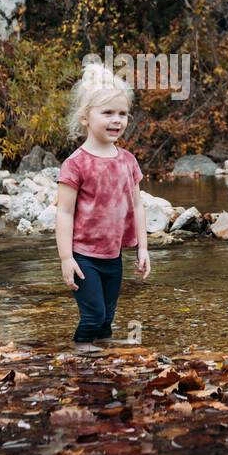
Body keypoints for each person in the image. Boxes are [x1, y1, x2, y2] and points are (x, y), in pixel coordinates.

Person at [54, 59, 151, 347]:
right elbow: (64, 212)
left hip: (113, 257)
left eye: (122, 114)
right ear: (85, 117)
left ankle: (102, 369)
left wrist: (143, 248)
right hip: (83, 257)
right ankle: (79, 362)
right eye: (107, 113)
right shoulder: (76, 164)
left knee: (107, 319)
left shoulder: (127, 161)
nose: (116, 120)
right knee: (93, 317)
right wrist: (66, 259)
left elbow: (138, 206)